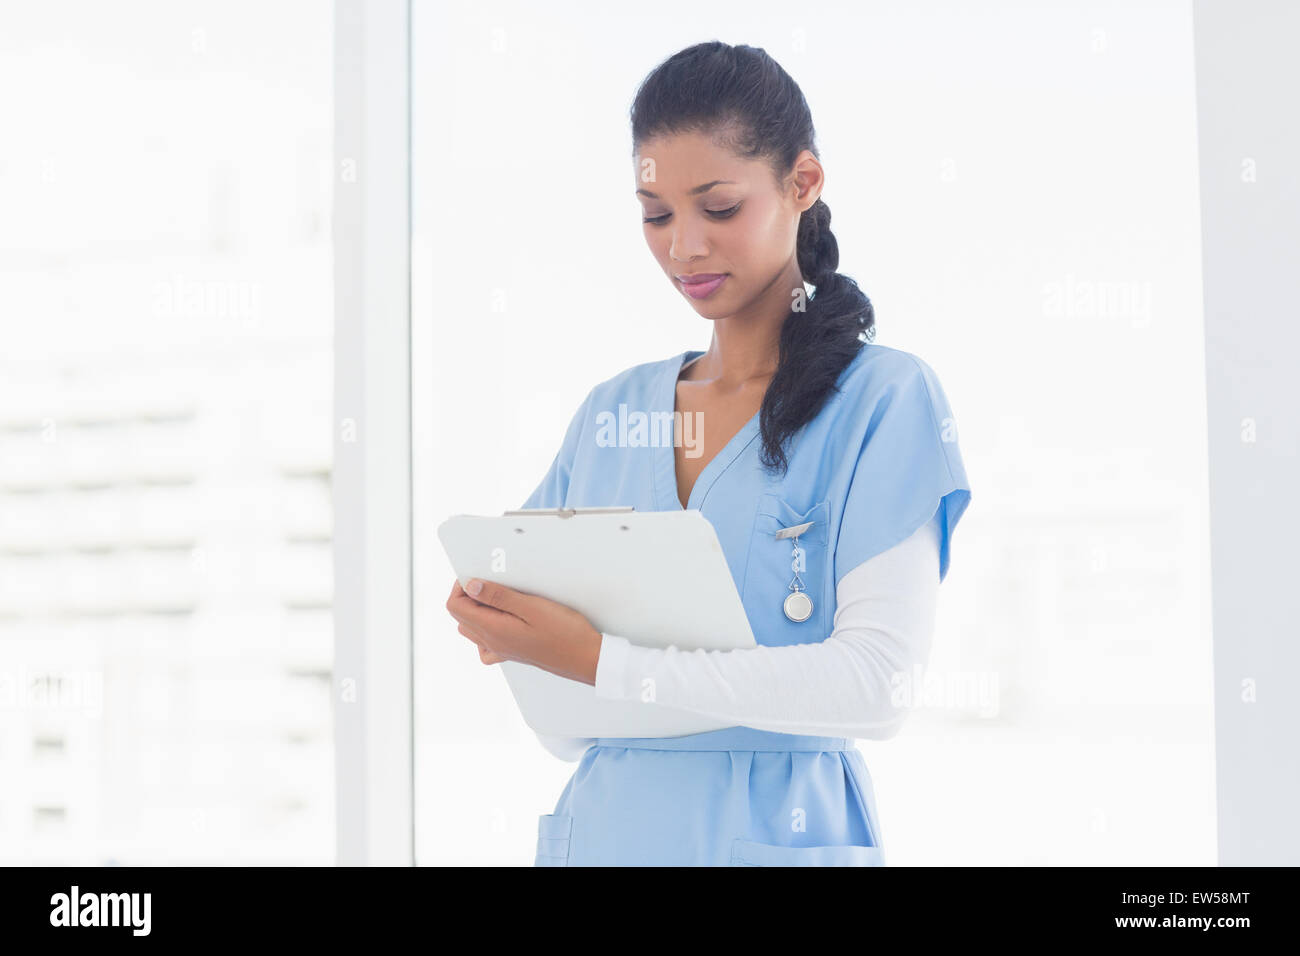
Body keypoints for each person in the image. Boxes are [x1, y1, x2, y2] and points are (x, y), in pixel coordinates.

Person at [445, 40, 971, 866]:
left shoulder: (885, 401)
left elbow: (876, 689)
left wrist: (601, 662)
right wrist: (520, 636)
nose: (682, 246)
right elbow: (560, 725)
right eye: (655, 213)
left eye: (717, 208)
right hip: (607, 831)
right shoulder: (612, 413)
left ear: (803, 184)